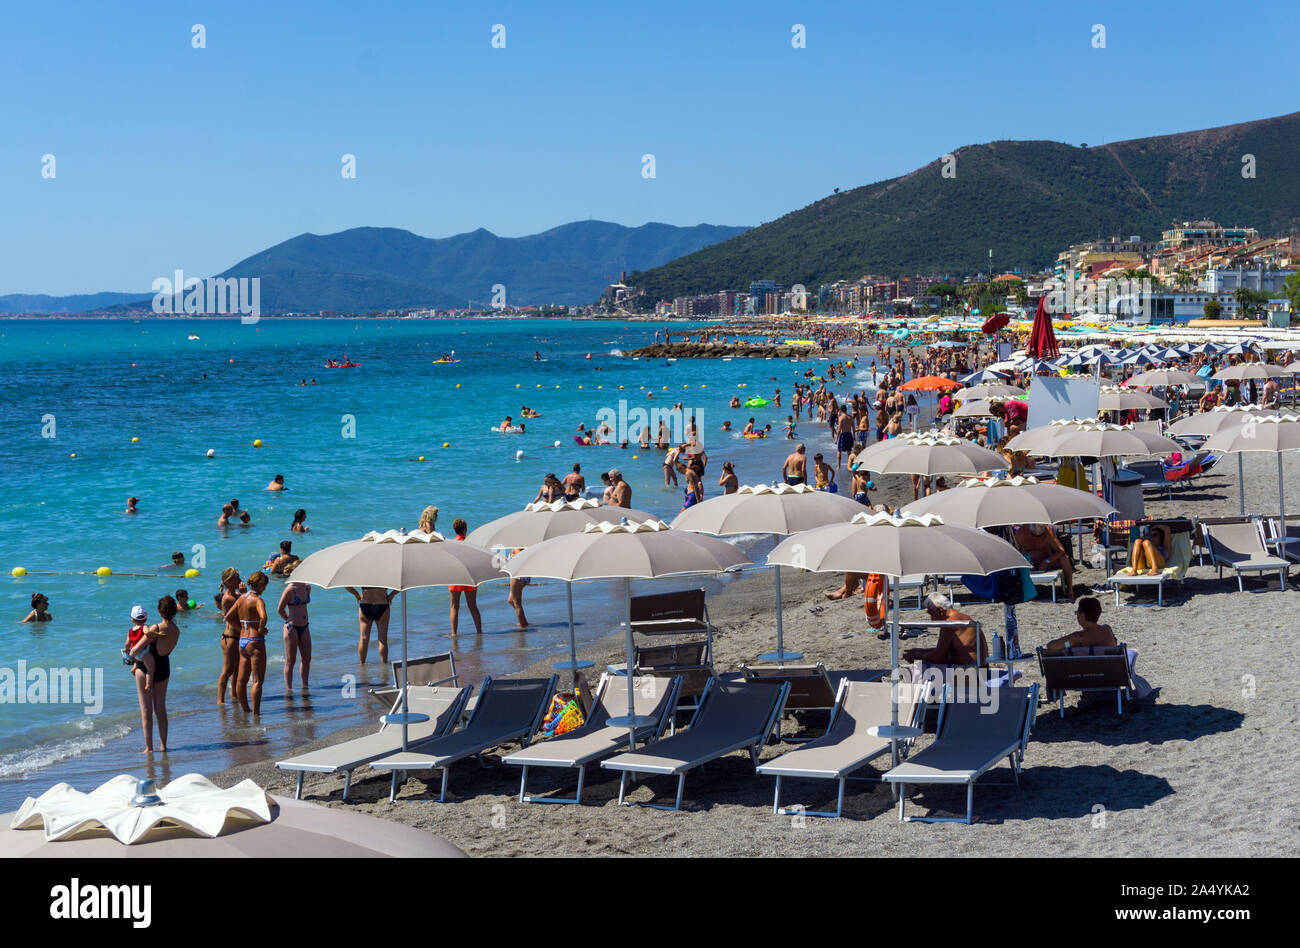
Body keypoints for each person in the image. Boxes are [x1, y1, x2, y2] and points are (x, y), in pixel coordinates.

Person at [133, 596, 179, 753]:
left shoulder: (155, 628)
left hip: (145, 668)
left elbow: (137, 649)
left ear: (159, 611)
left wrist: (130, 656)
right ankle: (164, 745)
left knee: (146, 710)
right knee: (160, 708)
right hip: (164, 667)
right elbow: (168, 651)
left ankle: (149, 747)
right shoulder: (176, 631)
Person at [902, 593, 987, 666]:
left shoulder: (949, 624)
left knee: (919, 667)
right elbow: (944, 650)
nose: (931, 619)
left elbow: (937, 656)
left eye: (931, 613)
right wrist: (918, 651)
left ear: (940, 610)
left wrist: (916, 655)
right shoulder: (962, 617)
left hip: (969, 671)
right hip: (981, 667)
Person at [229, 571, 270, 714]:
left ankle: (246, 710)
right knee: (257, 681)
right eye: (264, 586)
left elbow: (228, 617)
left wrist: (240, 628)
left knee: (241, 680)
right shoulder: (258, 600)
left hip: (242, 641)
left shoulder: (241, 599)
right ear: (259, 584)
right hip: (255, 641)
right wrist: (261, 628)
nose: (264, 589)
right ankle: (256, 713)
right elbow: (263, 617)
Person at [1015, 523, 1076, 598]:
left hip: (1046, 562)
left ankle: (1070, 590)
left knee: (1065, 558)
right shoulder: (1022, 532)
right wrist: (1025, 562)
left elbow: (1061, 550)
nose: (1038, 536)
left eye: (1041, 535)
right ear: (1031, 529)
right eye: (1035, 535)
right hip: (1028, 563)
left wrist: (1047, 561)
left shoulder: (1047, 531)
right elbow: (1014, 551)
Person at [447, 519, 483, 636]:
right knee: (472, 606)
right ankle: (479, 631)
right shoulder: (470, 543)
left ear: (455, 530)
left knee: (454, 607)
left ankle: (453, 634)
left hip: (455, 577)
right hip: (469, 577)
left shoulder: (451, 544)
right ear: (465, 529)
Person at [1043, 596, 1115, 652]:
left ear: (1082, 615)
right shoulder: (1107, 631)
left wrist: (1068, 644)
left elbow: (1051, 646)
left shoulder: (1077, 638)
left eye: (1077, 612)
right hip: (1108, 669)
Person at [346, 585, 397, 664]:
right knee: (382, 640)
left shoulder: (363, 573)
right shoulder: (386, 573)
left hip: (365, 605)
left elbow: (347, 586)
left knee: (363, 639)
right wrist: (392, 594)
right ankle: (384, 668)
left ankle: (362, 667)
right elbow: (403, 584)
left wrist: (356, 594)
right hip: (382, 604)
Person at [278, 578, 312, 690]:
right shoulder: (290, 589)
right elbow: (280, 609)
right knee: (290, 660)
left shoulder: (307, 587)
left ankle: (305, 686)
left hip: (305, 626)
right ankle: (289, 689)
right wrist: (289, 619)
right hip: (291, 628)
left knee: (306, 658)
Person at [217, 567, 241, 703]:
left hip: (237, 637)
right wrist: (243, 631)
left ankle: (234, 695)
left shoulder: (236, 595)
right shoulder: (228, 598)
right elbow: (230, 618)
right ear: (230, 581)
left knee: (237, 669)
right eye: (237, 578)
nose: (240, 580)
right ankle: (220, 700)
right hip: (230, 638)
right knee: (227, 670)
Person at [123, 604, 156, 691]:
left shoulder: (130, 630)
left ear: (132, 619)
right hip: (144, 652)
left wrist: (126, 651)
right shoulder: (144, 626)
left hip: (135, 653)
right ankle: (148, 684)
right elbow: (146, 632)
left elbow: (127, 643)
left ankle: (134, 669)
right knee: (151, 668)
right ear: (145, 619)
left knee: (138, 662)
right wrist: (156, 635)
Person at [507, 549, 530, 628]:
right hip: (519, 575)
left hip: (518, 575)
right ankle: (524, 621)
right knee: (510, 600)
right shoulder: (514, 547)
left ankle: (522, 626)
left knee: (517, 603)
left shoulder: (518, 548)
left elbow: (520, 558)